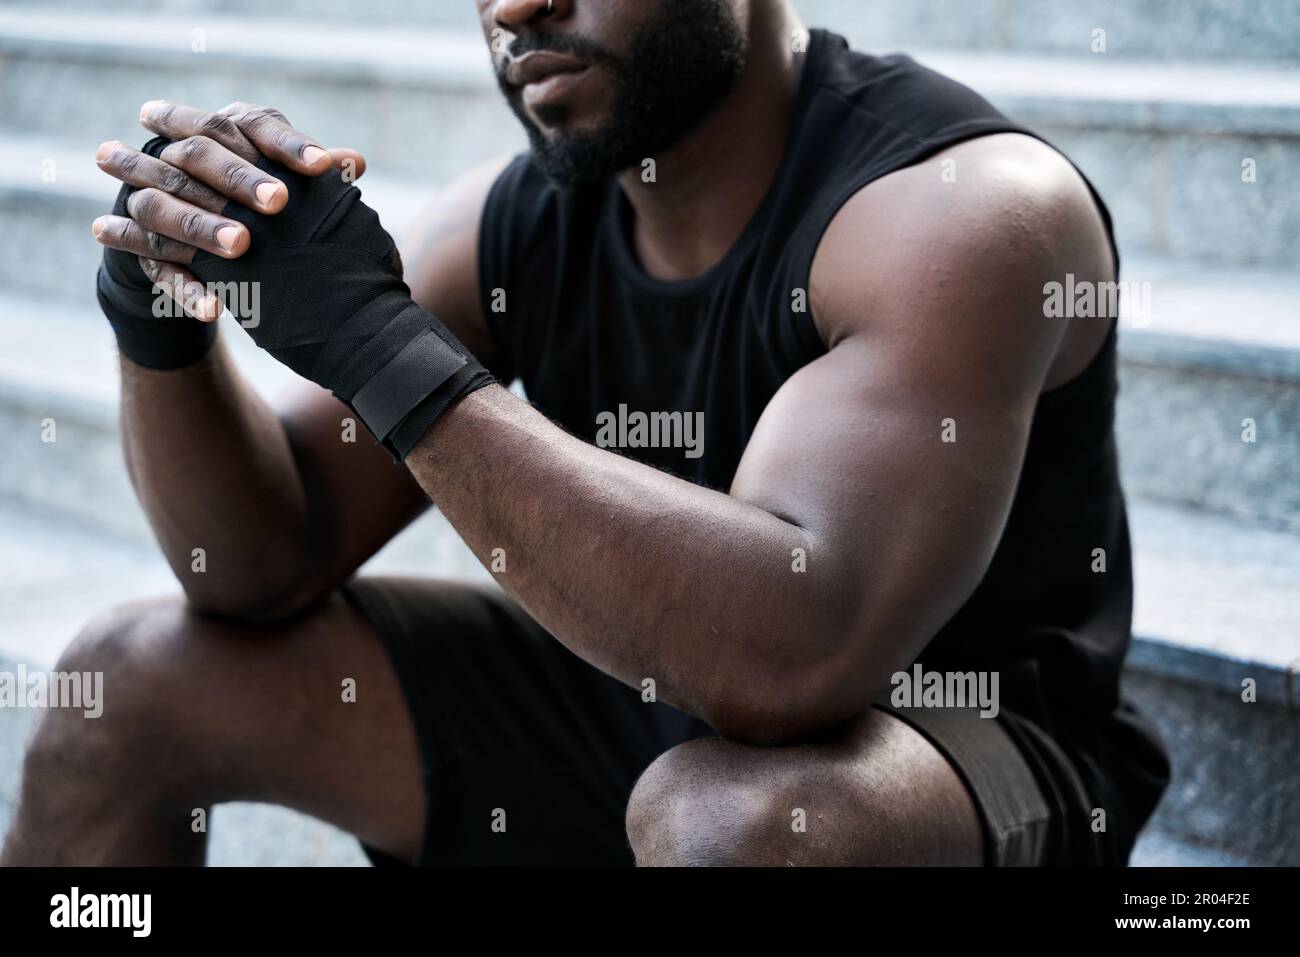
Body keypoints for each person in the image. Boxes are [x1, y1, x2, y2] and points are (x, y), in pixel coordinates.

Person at [2, 0, 1168, 867]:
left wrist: (375, 344)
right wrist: (163, 326)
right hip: (651, 715)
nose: (516, 9)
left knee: (742, 826)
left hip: (956, 755)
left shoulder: (966, 214)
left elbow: (794, 656)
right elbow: (254, 567)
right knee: (135, 679)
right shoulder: (517, 226)